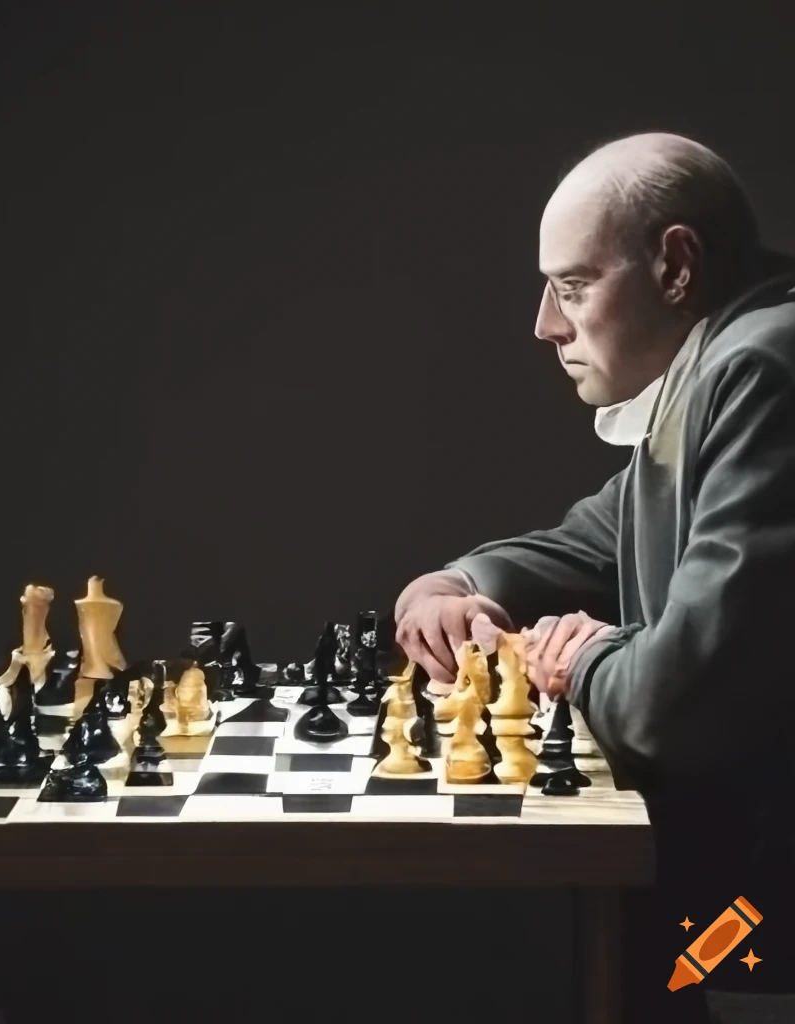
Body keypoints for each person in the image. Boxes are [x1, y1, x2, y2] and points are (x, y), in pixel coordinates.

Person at [395, 133, 795, 1023]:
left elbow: (678, 700)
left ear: (677, 265)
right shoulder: (708, 372)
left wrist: (582, 663)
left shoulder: (761, 369)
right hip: (736, 884)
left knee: (645, 979)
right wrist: (454, 584)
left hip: (759, 919)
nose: (546, 323)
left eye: (573, 288)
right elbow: (597, 539)